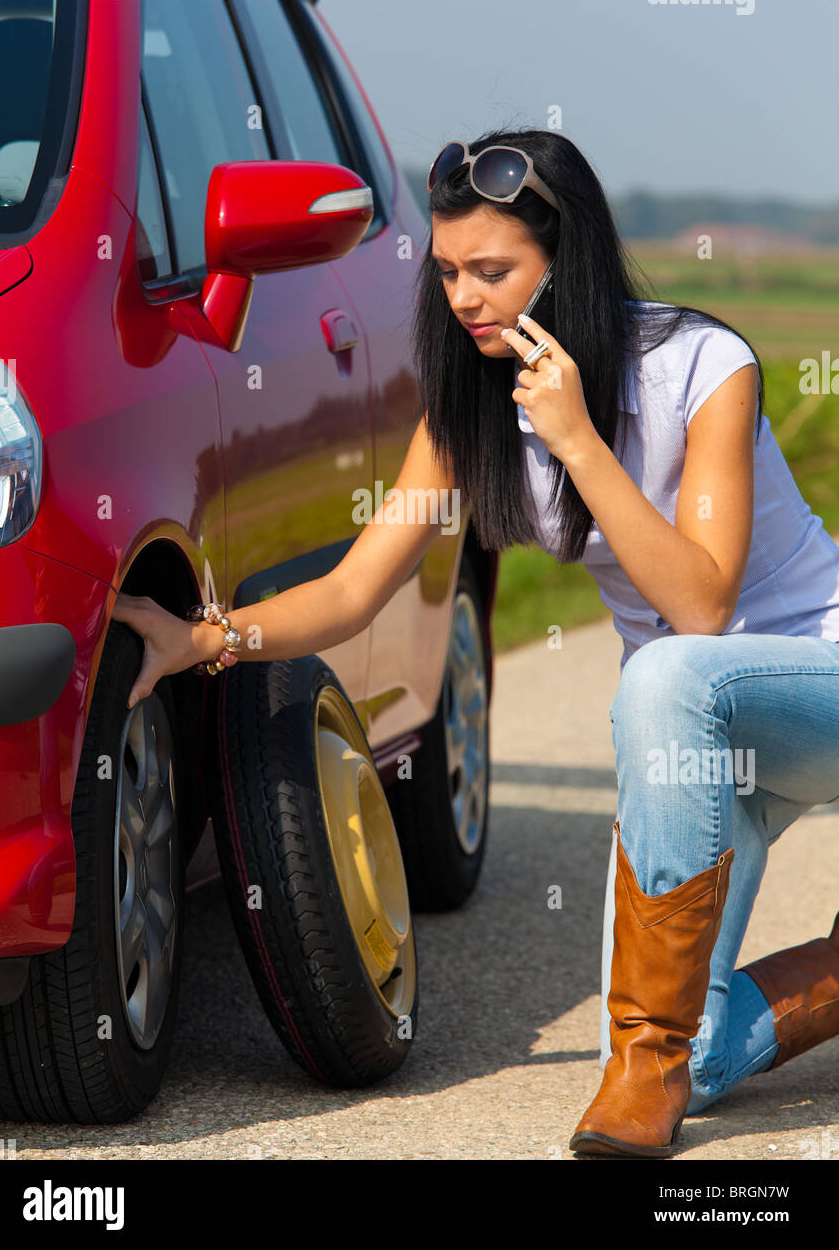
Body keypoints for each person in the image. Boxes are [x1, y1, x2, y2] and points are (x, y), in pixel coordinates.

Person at [112, 128, 839, 1159]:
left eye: (492, 271)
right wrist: (206, 638)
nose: (464, 297)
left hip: (812, 680)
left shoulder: (701, 365)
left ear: (565, 261)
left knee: (667, 671)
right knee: (701, 1056)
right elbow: (357, 590)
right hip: (693, 743)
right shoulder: (468, 411)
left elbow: (700, 607)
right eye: (448, 271)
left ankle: (642, 1061)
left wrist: (577, 437)